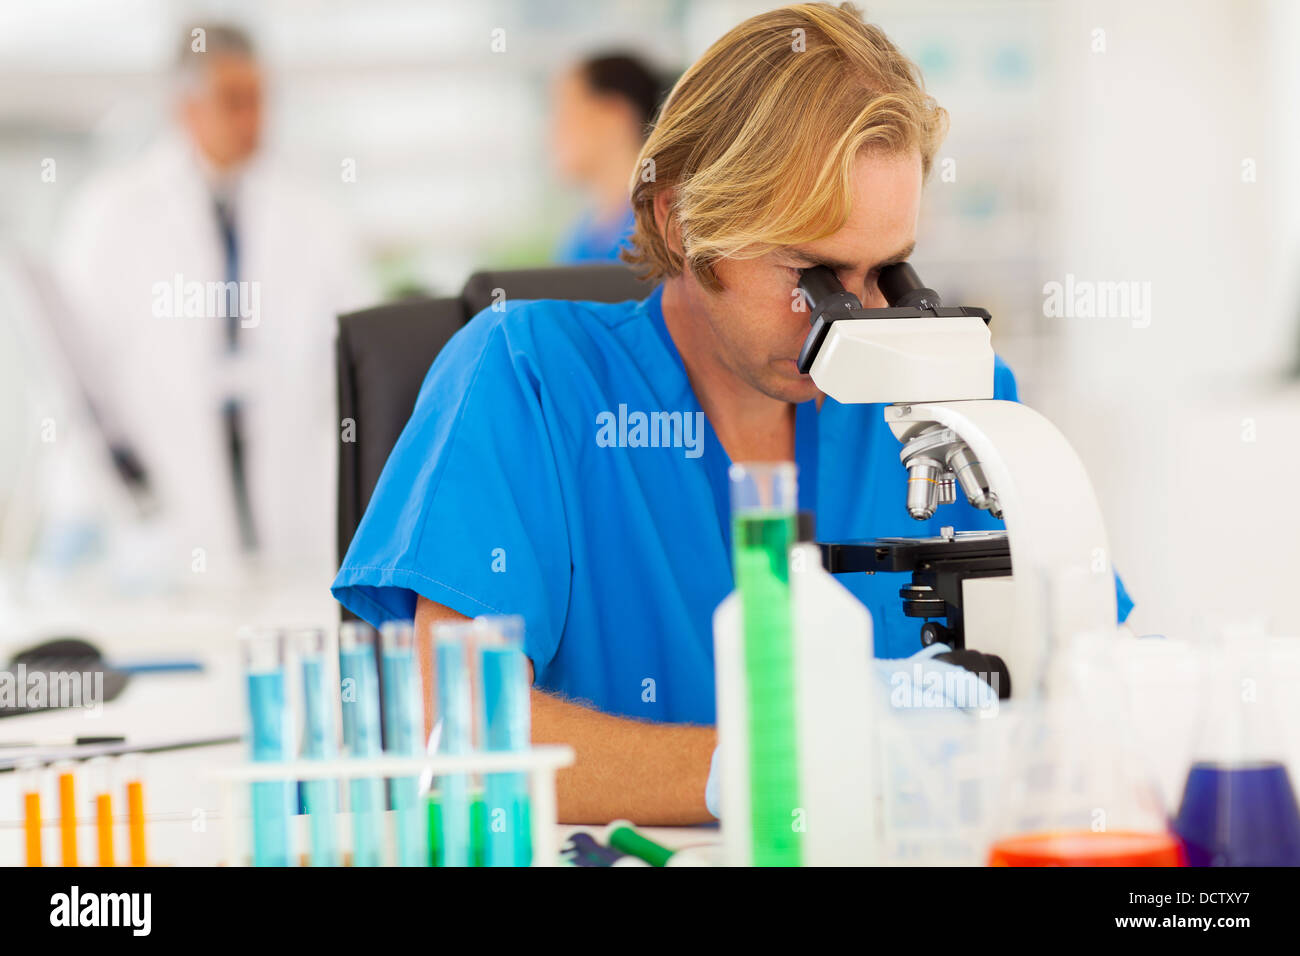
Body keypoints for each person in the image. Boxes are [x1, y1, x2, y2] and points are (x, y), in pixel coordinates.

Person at [333, 2, 1132, 824]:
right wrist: (769, 768)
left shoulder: (946, 402)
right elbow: (458, 736)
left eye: (883, 272)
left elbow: (1097, 678)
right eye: (815, 275)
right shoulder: (527, 378)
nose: (851, 319)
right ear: (682, 223)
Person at [54, 24, 371, 582]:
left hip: (291, 499)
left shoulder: (315, 213)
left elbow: (359, 359)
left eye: (259, 99)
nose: (253, 119)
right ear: (186, 107)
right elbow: (80, 378)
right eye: (233, 101)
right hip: (168, 508)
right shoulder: (111, 213)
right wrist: (97, 501)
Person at [549, 53, 664, 263]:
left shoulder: (665, 226)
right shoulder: (579, 240)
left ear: (614, 117)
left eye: (565, 110)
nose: (554, 129)